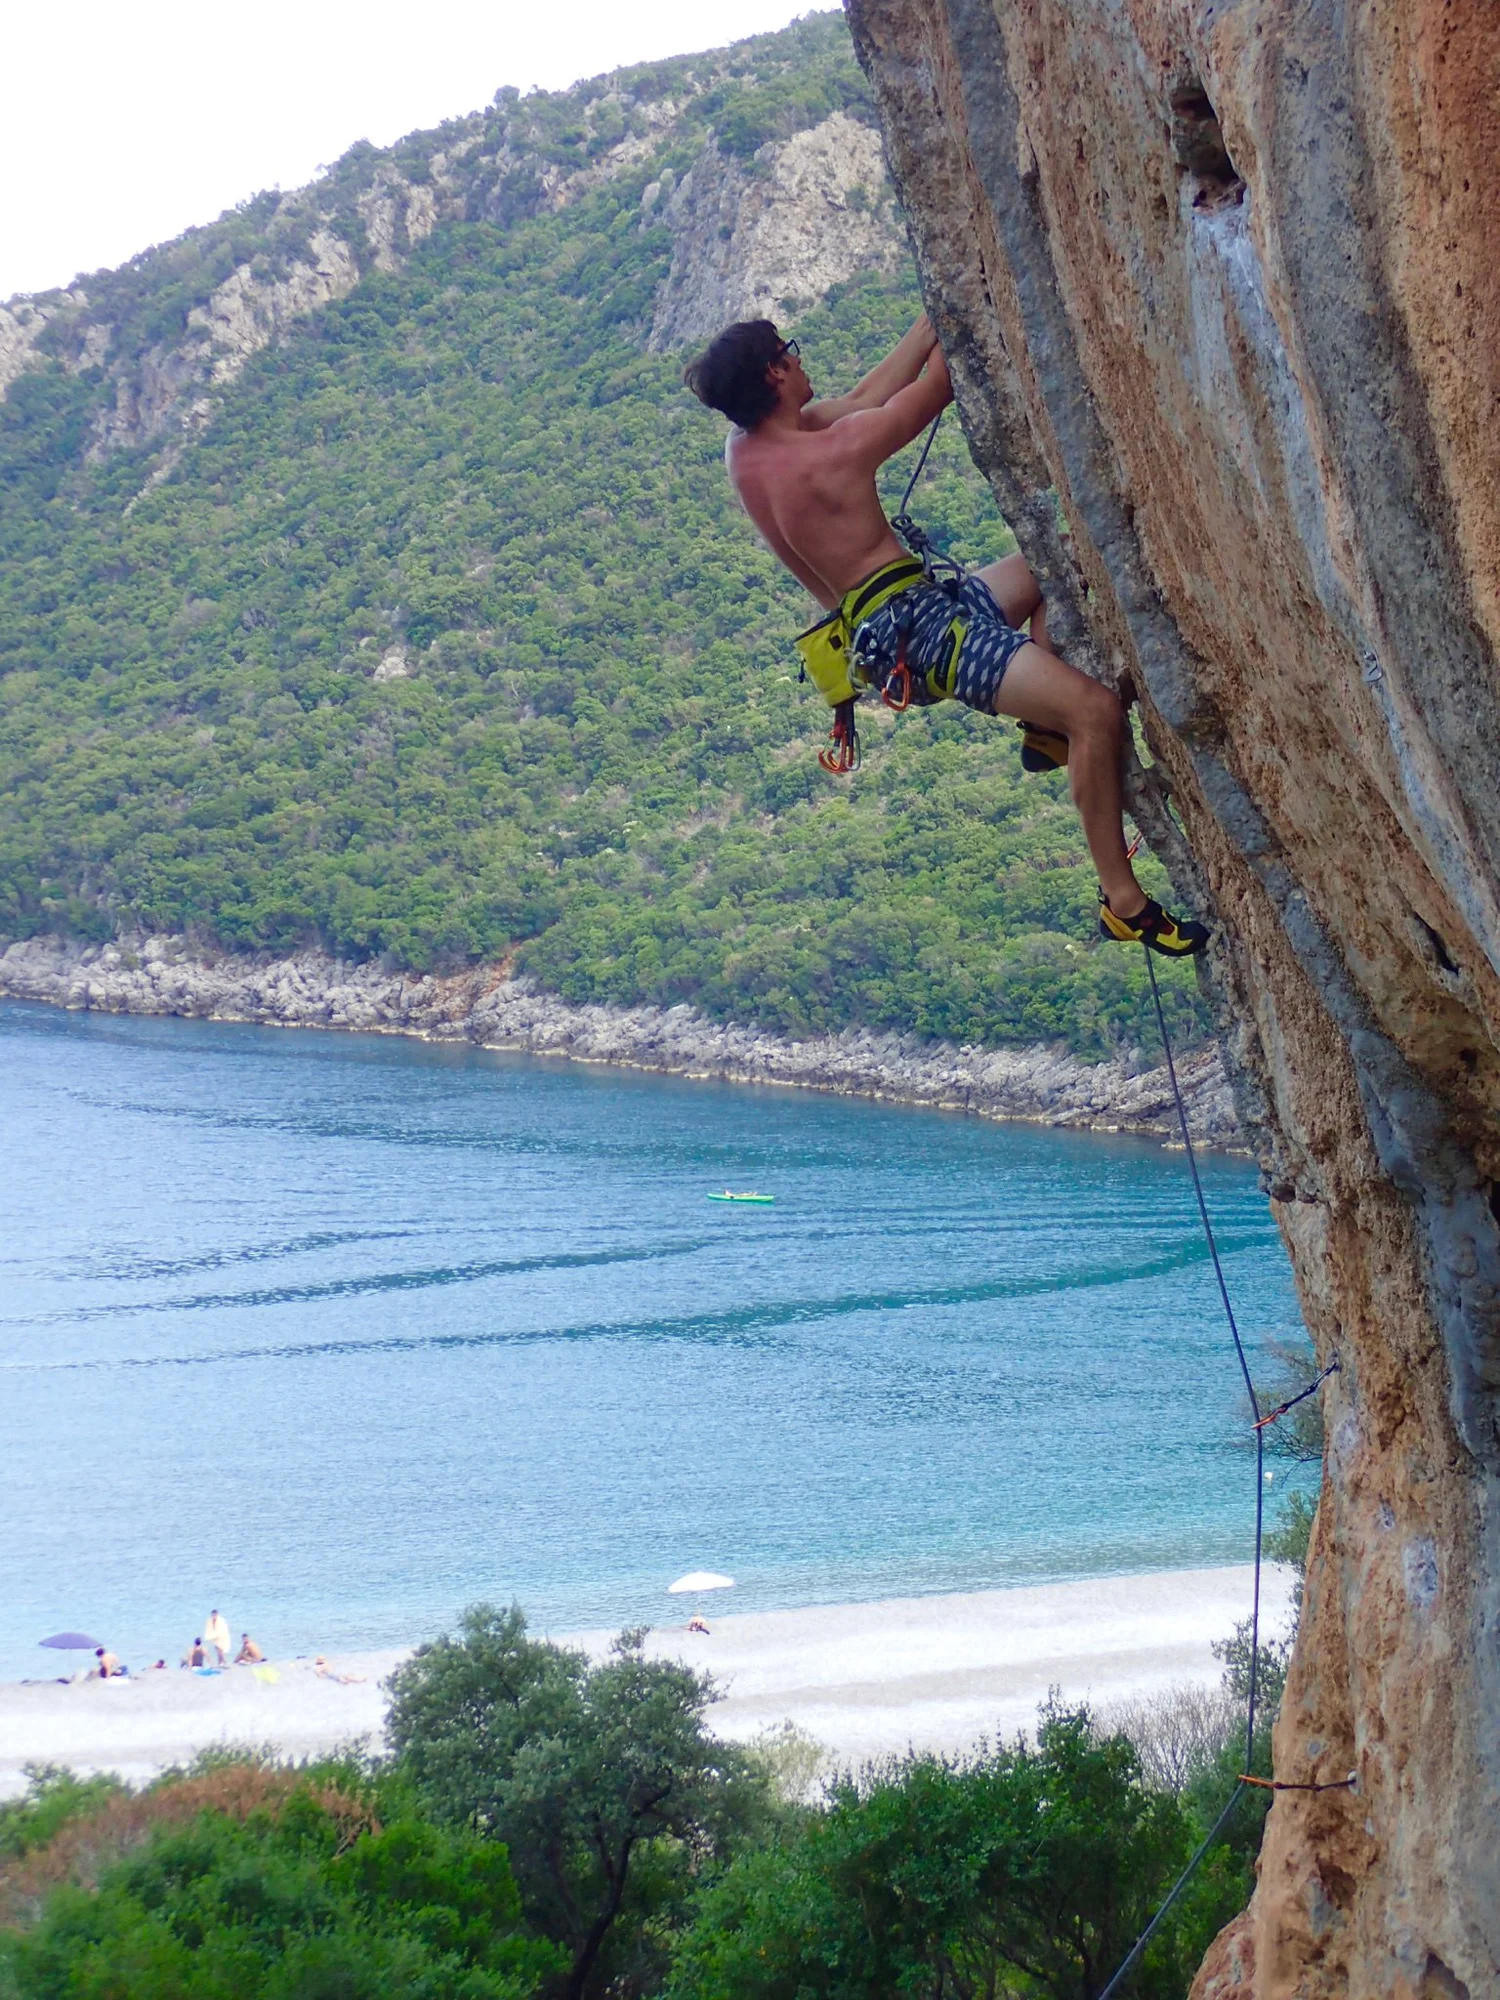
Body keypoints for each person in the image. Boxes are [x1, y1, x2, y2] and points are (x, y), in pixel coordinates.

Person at [683, 317, 1209, 956]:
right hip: (925, 636)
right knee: (1095, 713)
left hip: (893, 627)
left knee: (1059, 562)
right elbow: (935, 387)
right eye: (787, 353)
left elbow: (866, 397)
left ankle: (1046, 728)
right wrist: (961, 315)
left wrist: (931, 317)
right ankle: (1123, 902)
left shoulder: (745, 452)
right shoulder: (831, 455)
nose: (799, 359)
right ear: (774, 373)